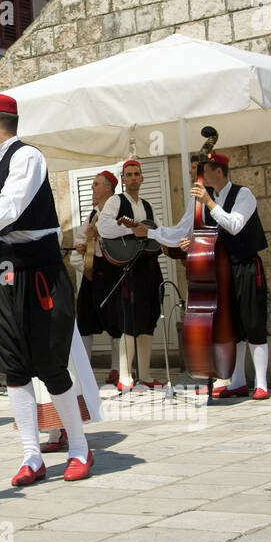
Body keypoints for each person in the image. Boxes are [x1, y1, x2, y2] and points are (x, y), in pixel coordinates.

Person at [0, 94, 94, 486]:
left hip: (39, 272)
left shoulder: (27, 157)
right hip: (6, 273)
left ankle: (79, 446)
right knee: (14, 364)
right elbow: (2, 226)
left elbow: (11, 207)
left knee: (49, 360)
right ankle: (31, 454)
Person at [135, 152, 270, 399]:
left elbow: (234, 225)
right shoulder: (199, 200)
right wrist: (151, 233)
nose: (194, 175)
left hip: (245, 265)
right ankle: (237, 381)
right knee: (233, 326)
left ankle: (261, 383)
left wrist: (209, 202)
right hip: (220, 268)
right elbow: (180, 232)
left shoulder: (243, 194)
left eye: (200, 170)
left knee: (253, 321)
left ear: (217, 171)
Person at [99, 160, 165, 389]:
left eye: (137, 174)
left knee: (149, 318)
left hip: (149, 265)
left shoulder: (148, 206)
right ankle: (125, 375)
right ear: (123, 179)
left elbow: (156, 230)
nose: (134, 178)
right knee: (129, 317)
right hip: (129, 266)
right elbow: (104, 227)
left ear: (142, 178)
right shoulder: (116, 201)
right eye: (129, 174)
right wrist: (130, 229)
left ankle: (145, 374)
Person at [75, 171, 126, 388]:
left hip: (111, 269)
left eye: (96, 184)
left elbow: (123, 238)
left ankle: (117, 368)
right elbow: (80, 241)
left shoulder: (118, 212)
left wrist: (101, 235)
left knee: (115, 320)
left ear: (108, 188)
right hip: (91, 271)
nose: (92, 188)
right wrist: (81, 248)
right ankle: (84, 369)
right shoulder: (91, 215)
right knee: (85, 319)